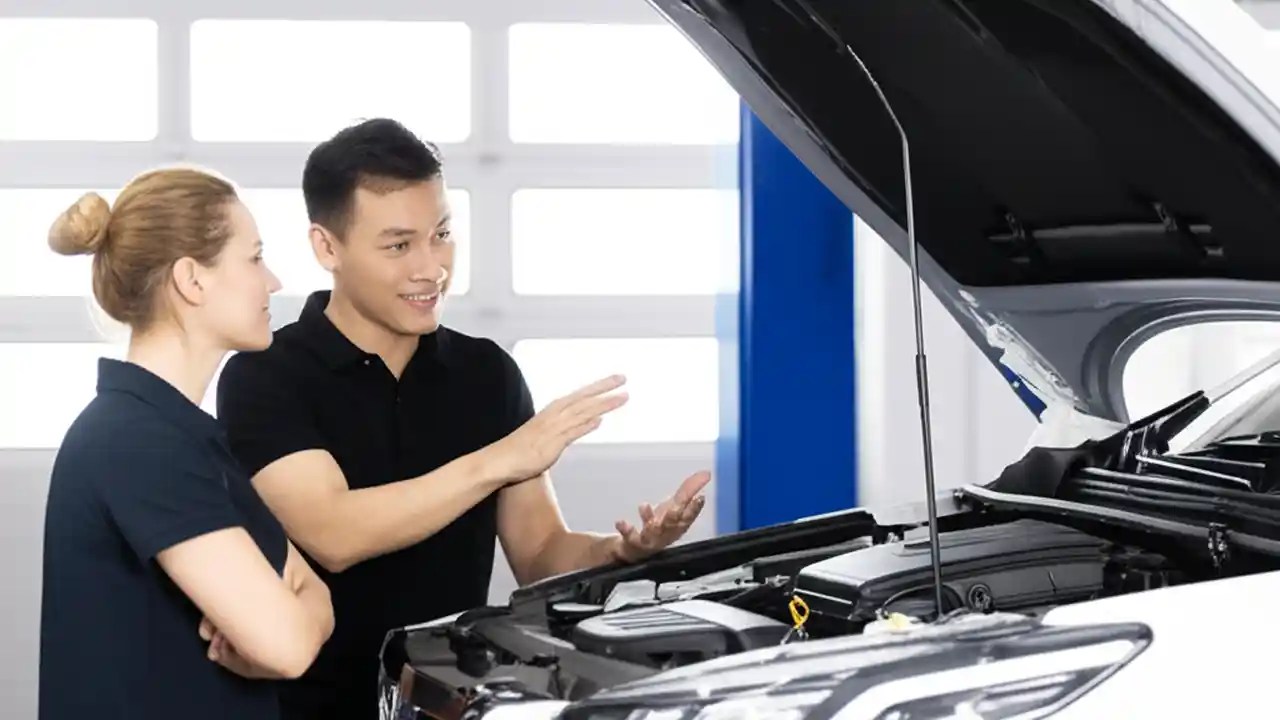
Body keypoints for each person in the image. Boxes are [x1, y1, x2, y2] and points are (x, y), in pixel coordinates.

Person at [214, 118, 712, 720]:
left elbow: (540, 553)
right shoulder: (266, 375)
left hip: (448, 705)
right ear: (327, 248)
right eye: (399, 246)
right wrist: (501, 459)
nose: (431, 268)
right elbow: (335, 534)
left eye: (442, 234)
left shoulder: (486, 373)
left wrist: (621, 551)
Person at [38, 168, 335, 720]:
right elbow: (290, 645)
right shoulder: (139, 443)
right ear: (192, 280)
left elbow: (316, 597)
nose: (272, 282)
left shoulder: (180, 434)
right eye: (254, 258)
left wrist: (294, 621)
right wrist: (287, 625)